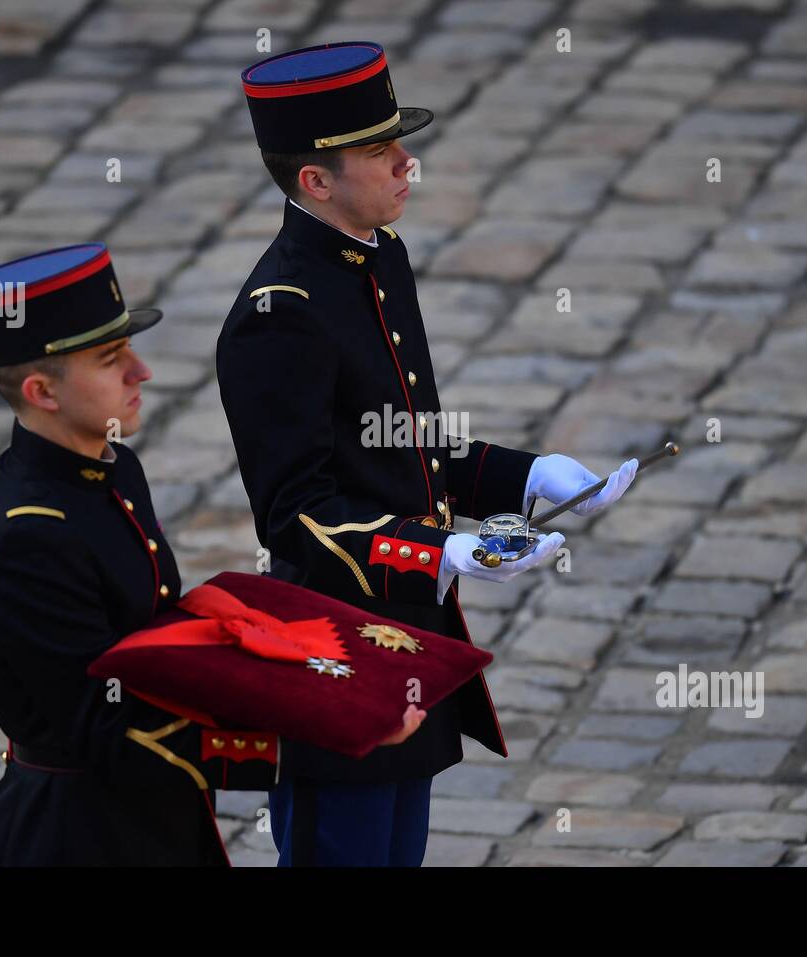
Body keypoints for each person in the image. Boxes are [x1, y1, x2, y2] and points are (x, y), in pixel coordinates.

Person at [217, 41, 639, 866]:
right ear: (316, 180)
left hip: (407, 636)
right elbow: (298, 518)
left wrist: (527, 475)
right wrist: (435, 551)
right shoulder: (282, 314)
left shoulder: (378, 258)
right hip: (336, 652)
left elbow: (405, 442)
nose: (409, 163)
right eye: (381, 151)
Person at [0, 243, 287, 865]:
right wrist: (297, 745)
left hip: (155, 819)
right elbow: (104, 728)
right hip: (76, 837)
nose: (142, 372)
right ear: (41, 391)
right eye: (112, 359)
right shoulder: (29, 537)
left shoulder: (111, 465)